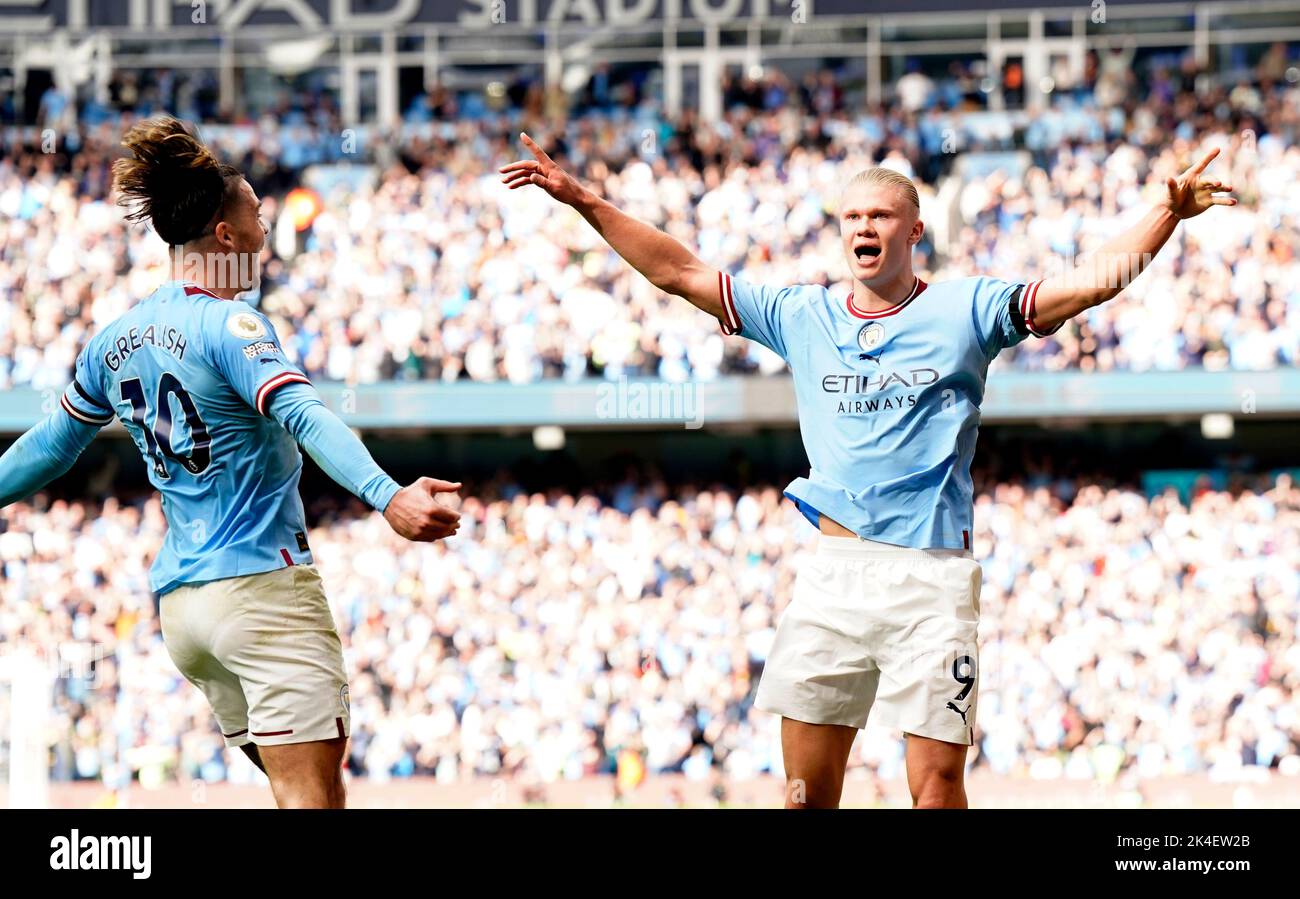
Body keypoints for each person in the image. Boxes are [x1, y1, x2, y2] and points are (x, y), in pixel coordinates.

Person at [502, 132, 1235, 808]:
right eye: (851, 215)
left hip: (932, 578)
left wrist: (1161, 218)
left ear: (913, 231)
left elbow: (1083, 287)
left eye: (881, 215)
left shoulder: (967, 309)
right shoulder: (802, 314)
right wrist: (584, 200)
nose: (864, 227)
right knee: (803, 795)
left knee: (937, 788)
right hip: (833, 574)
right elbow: (680, 271)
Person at [0, 116, 463, 808]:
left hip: (186, 612)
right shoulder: (232, 325)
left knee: (293, 790)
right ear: (225, 235)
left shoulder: (114, 340)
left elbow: (54, 444)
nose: (265, 229)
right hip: (261, 591)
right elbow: (303, 414)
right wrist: (386, 493)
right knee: (314, 801)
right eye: (255, 214)